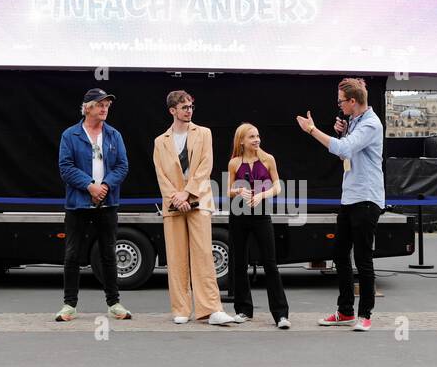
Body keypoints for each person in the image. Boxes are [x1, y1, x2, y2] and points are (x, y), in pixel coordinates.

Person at [295, 77, 385, 332]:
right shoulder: (356, 121)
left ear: (353, 101)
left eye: (341, 102)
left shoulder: (370, 124)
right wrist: (343, 131)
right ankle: (345, 311)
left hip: (366, 198)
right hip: (351, 197)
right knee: (339, 253)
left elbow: (343, 149)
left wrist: (312, 130)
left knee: (363, 257)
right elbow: (347, 147)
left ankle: (365, 314)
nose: (339, 106)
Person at [152, 90, 235, 326]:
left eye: (190, 106)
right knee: (176, 256)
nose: (189, 110)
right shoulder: (161, 141)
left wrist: (187, 193)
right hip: (174, 203)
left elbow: (204, 166)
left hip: (199, 200)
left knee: (203, 255)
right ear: (172, 111)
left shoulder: (204, 133)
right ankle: (180, 308)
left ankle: (211, 309)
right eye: (184, 107)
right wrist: (176, 198)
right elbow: (161, 174)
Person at [54, 87, 131, 322]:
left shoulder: (114, 135)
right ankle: (69, 305)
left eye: (107, 104)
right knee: (72, 254)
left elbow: (122, 166)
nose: (105, 108)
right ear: (87, 108)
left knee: (109, 253)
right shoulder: (70, 135)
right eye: (100, 104)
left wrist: (105, 185)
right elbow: (65, 167)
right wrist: (90, 186)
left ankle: (114, 303)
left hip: (107, 203)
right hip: (78, 204)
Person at [227, 123, 290, 329]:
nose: (256, 139)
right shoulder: (234, 163)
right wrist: (238, 192)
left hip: (261, 214)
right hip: (239, 215)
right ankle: (244, 310)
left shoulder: (268, 159)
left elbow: (278, 186)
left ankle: (280, 314)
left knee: (270, 264)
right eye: (252, 136)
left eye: (258, 135)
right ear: (242, 141)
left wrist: (263, 194)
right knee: (239, 263)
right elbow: (228, 191)